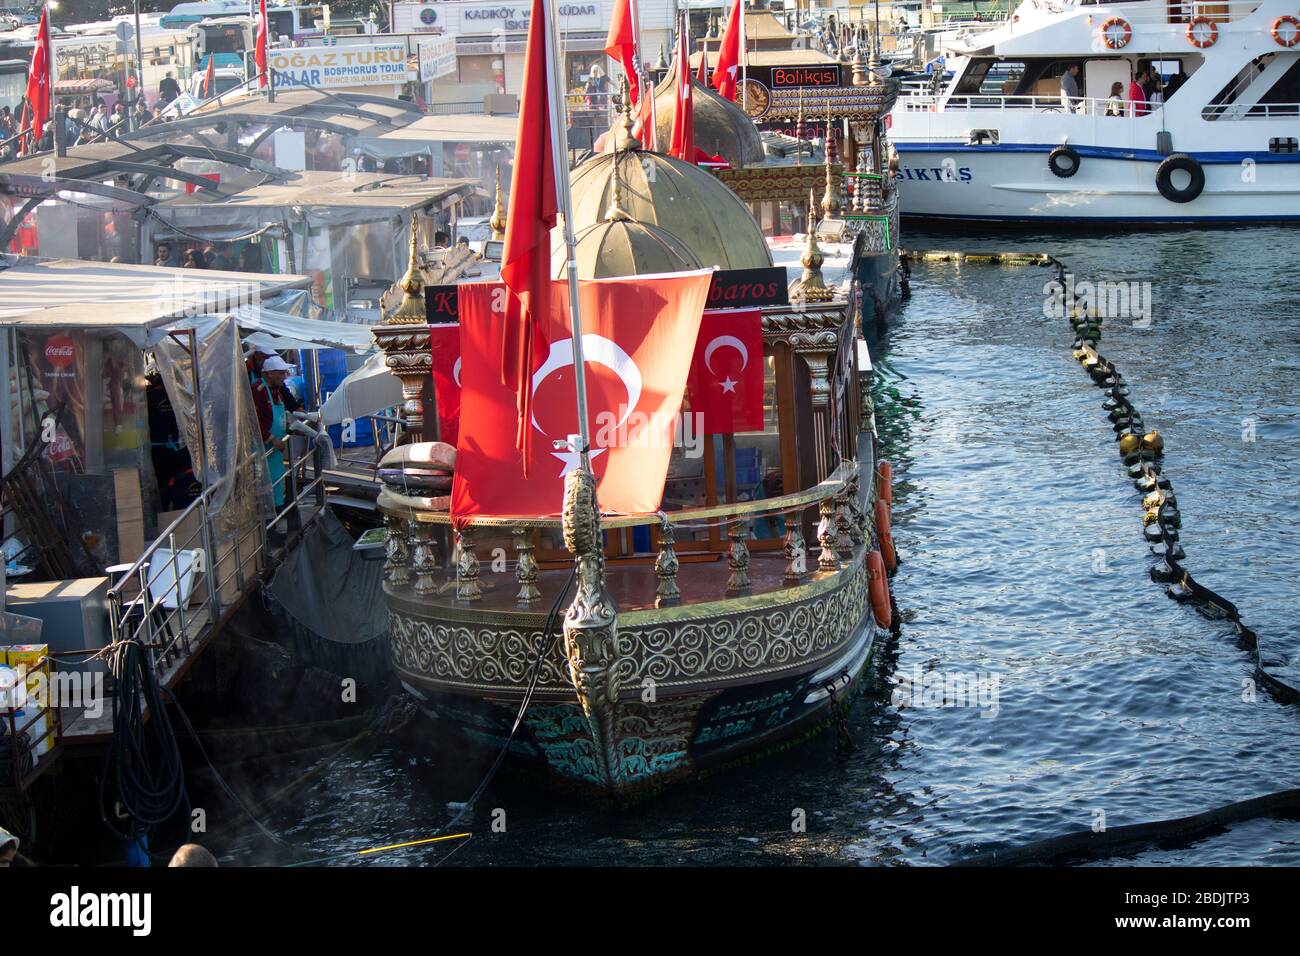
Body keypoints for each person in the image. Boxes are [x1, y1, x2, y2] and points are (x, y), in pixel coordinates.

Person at [253, 355, 298, 508]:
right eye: (280, 373)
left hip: (275, 450)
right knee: (266, 484)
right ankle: (271, 522)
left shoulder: (276, 390)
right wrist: (272, 439)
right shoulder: (258, 390)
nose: (283, 377)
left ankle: (278, 511)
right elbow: (254, 420)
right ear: (270, 373)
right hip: (264, 448)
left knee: (277, 481)